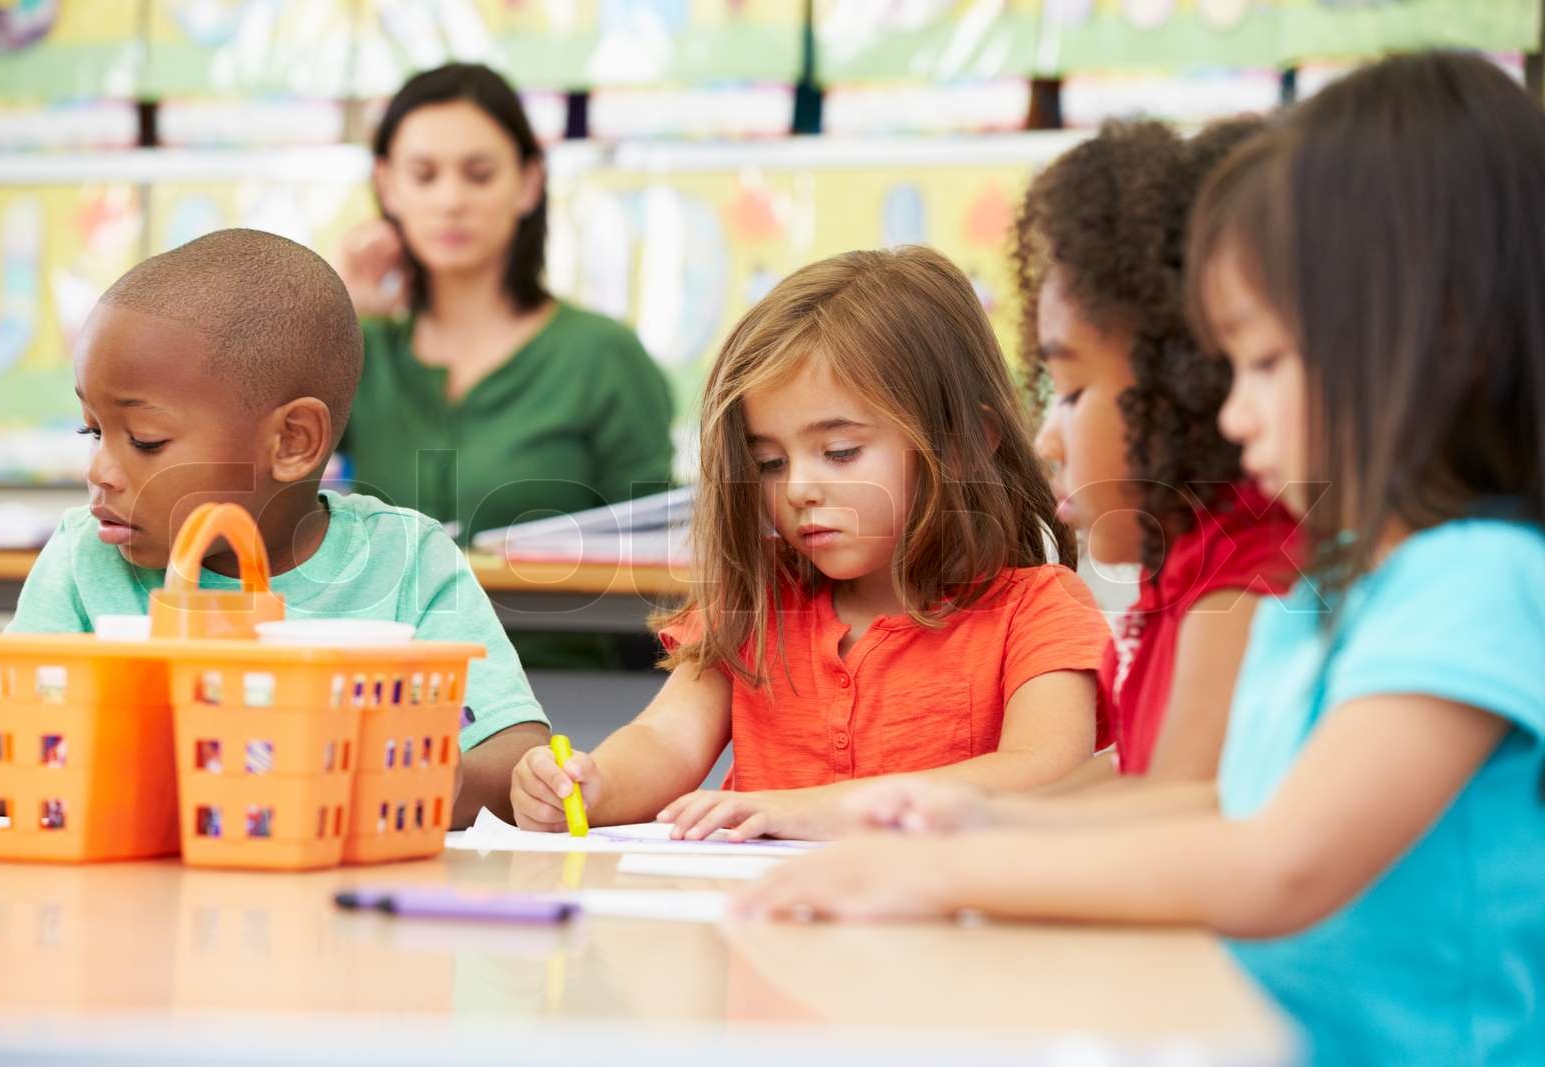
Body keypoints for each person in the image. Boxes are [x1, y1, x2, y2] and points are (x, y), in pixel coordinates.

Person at [737, 52, 1545, 1067]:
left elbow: (1277, 865)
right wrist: (978, 818)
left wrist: (948, 870)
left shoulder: (1479, 580)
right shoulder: (1350, 590)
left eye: (1263, 364)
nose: (1229, 408)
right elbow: (1227, 799)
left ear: (1441, 339)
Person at [0, 229, 549, 829]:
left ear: (293, 441)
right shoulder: (86, 559)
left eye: (145, 441)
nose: (99, 471)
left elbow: (517, 754)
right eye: (92, 431)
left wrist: (418, 782)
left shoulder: (408, 562)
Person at [509, 246, 1112, 840]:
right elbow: (666, 740)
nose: (797, 489)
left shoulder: (1038, 609)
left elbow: (1044, 771)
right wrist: (591, 785)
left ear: (963, 444)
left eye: (840, 452)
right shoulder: (758, 599)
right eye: (769, 462)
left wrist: (824, 809)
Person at [336, 63, 674, 669]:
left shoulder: (602, 356)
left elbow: (664, 562)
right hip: (386, 689)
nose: (451, 200)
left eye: (479, 173)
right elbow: (260, 469)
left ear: (528, 183)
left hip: (570, 697)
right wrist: (337, 314)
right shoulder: (359, 350)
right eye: (424, 174)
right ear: (387, 187)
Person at [1014, 116, 1297, 784]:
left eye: (1075, 391)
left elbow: (1180, 809)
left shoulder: (1246, 565)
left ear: (1180, 387)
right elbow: (1132, 772)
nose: (1045, 438)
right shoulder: (1171, 564)